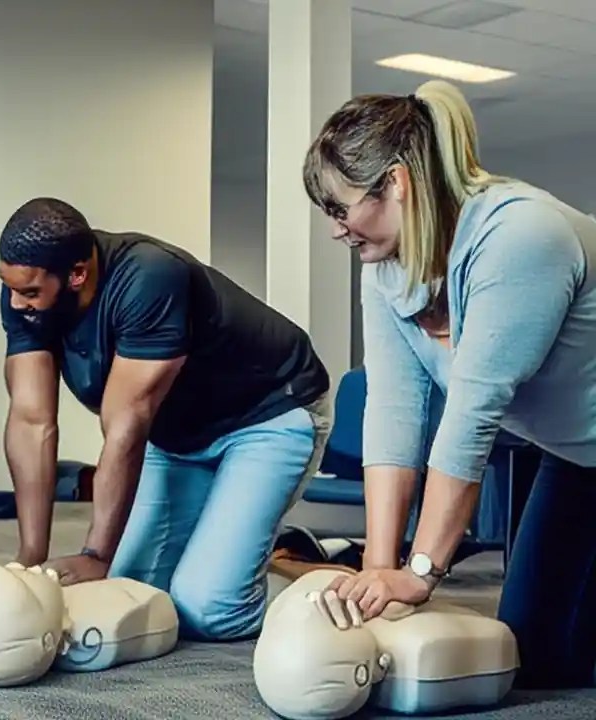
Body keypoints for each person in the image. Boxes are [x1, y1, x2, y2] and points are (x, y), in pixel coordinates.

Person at [303, 79, 596, 689]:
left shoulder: (519, 237)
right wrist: (378, 568)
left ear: (396, 184)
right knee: (540, 658)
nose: (335, 229)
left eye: (339, 207)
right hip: (577, 455)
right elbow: (393, 411)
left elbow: (471, 416)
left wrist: (421, 572)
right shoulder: (388, 267)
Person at [0, 197, 331, 641]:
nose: (15, 302)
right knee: (129, 591)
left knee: (209, 609)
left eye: (29, 292)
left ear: (77, 274)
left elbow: (125, 426)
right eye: (9, 287)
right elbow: (31, 423)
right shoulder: (27, 294)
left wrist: (96, 554)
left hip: (268, 416)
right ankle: (233, 554)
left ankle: (311, 575)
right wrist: (29, 561)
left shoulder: (148, 277)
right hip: (178, 437)